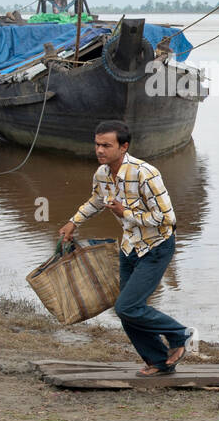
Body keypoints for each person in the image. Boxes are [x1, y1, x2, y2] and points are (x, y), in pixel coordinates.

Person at [59, 120, 190, 378]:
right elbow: (97, 201)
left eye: (106, 145)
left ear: (123, 147)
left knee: (127, 307)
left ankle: (180, 334)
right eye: (97, 144)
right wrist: (73, 222)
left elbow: (168, 218)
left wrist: (126, 213)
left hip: (156, 246)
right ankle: (159, 360)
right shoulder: (102, 174)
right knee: (127, 310)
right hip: (130, 246)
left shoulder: (146, 174)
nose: (99, 150)